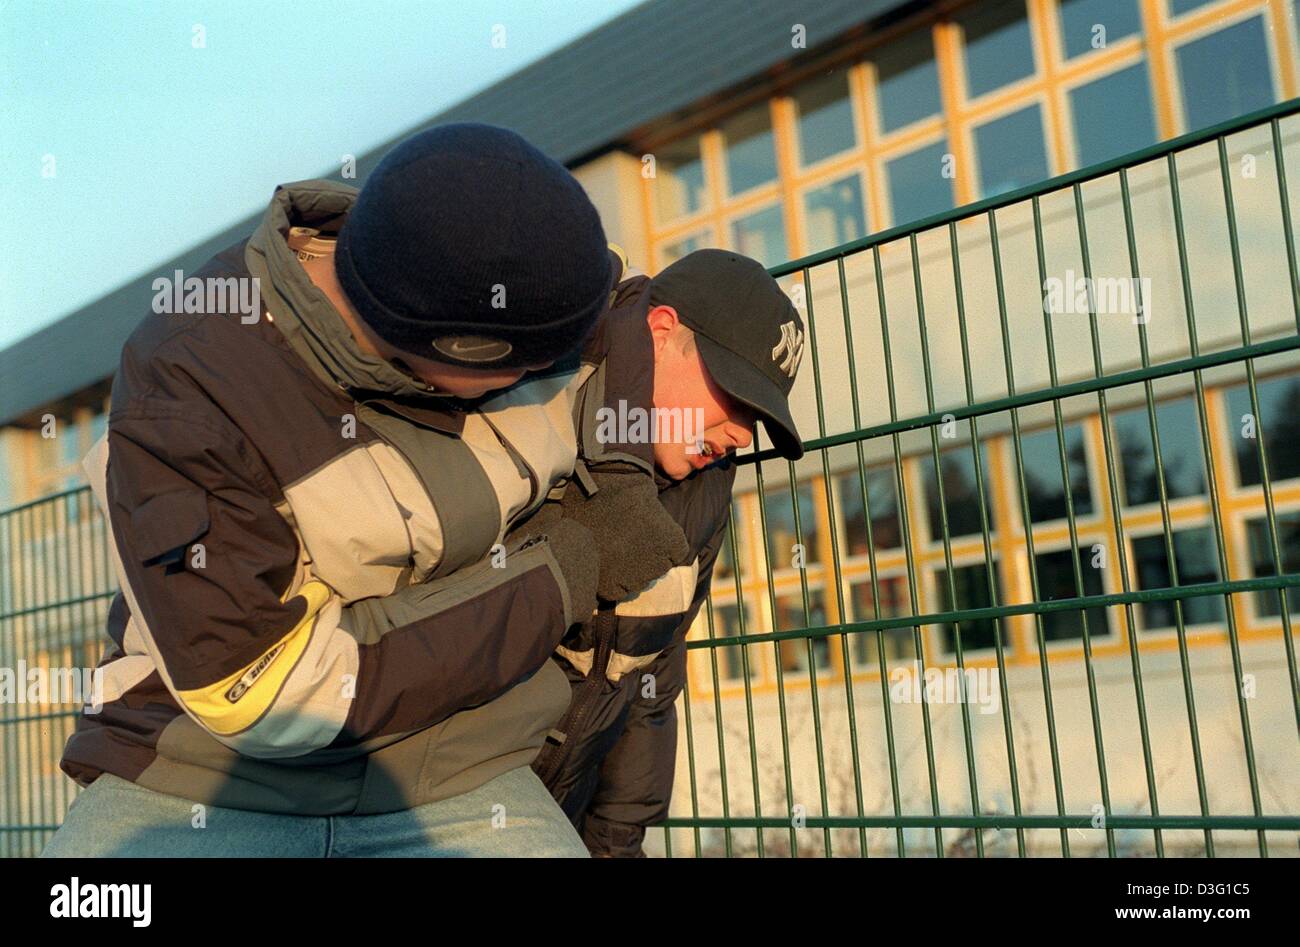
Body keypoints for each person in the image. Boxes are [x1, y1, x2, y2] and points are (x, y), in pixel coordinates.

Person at [41, 123, 678, 858]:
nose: (564, 368)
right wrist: (562, 571)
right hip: (202, 777)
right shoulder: (188, 386)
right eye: (534, 363)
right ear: (457, 350)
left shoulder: (508, 279)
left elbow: (628, 311)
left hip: (457, 767)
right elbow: (262, 690)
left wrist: (626, 463)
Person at [517, 248, 807, 857]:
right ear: (661, 333)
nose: (742, 435)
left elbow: (652, 683)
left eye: (757, 416)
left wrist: (616, 845)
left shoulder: (705, 493)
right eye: (735, 393)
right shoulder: (533, 408)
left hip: (560, 825)